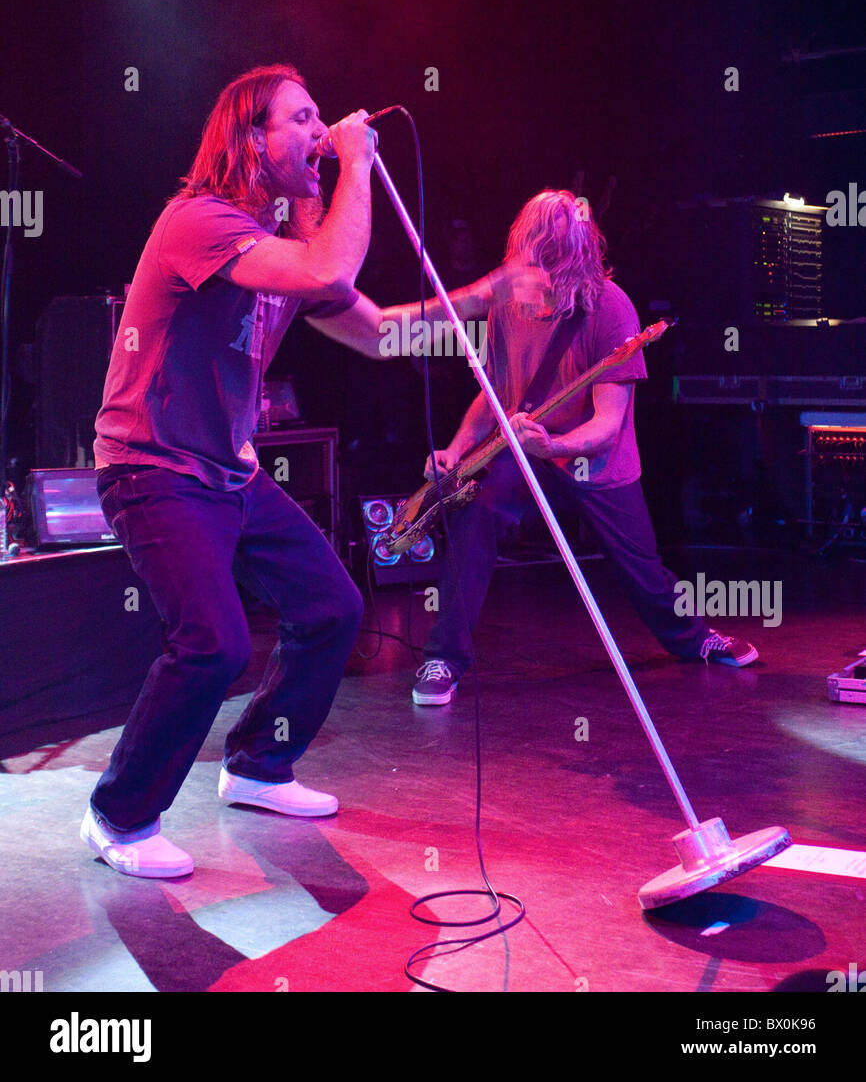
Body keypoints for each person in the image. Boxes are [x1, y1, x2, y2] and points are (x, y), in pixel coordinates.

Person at [83, 63, 539, 878]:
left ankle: (258, 764)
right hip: (152, 467)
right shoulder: (199, 221)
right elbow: (330, 269)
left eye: (320, 119)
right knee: (213, 642)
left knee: (331, 605)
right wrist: (358, 164)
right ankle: (117, 817)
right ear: (251, 139)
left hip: (229, 472)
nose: (320, 133)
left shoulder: (281, 248)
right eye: (301, 119)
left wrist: (487, 294)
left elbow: (381, 334)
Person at [412, 189, 759, 706]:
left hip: (593, 460)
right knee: (477, 517)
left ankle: (694, 640)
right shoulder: (511, 303)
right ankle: (443, 657)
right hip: (527, 453)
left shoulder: (609, 307)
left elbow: (608, 424)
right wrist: (456, 449)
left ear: (574, 254)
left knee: (639, 566)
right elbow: (492, 393)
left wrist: (553, 442)